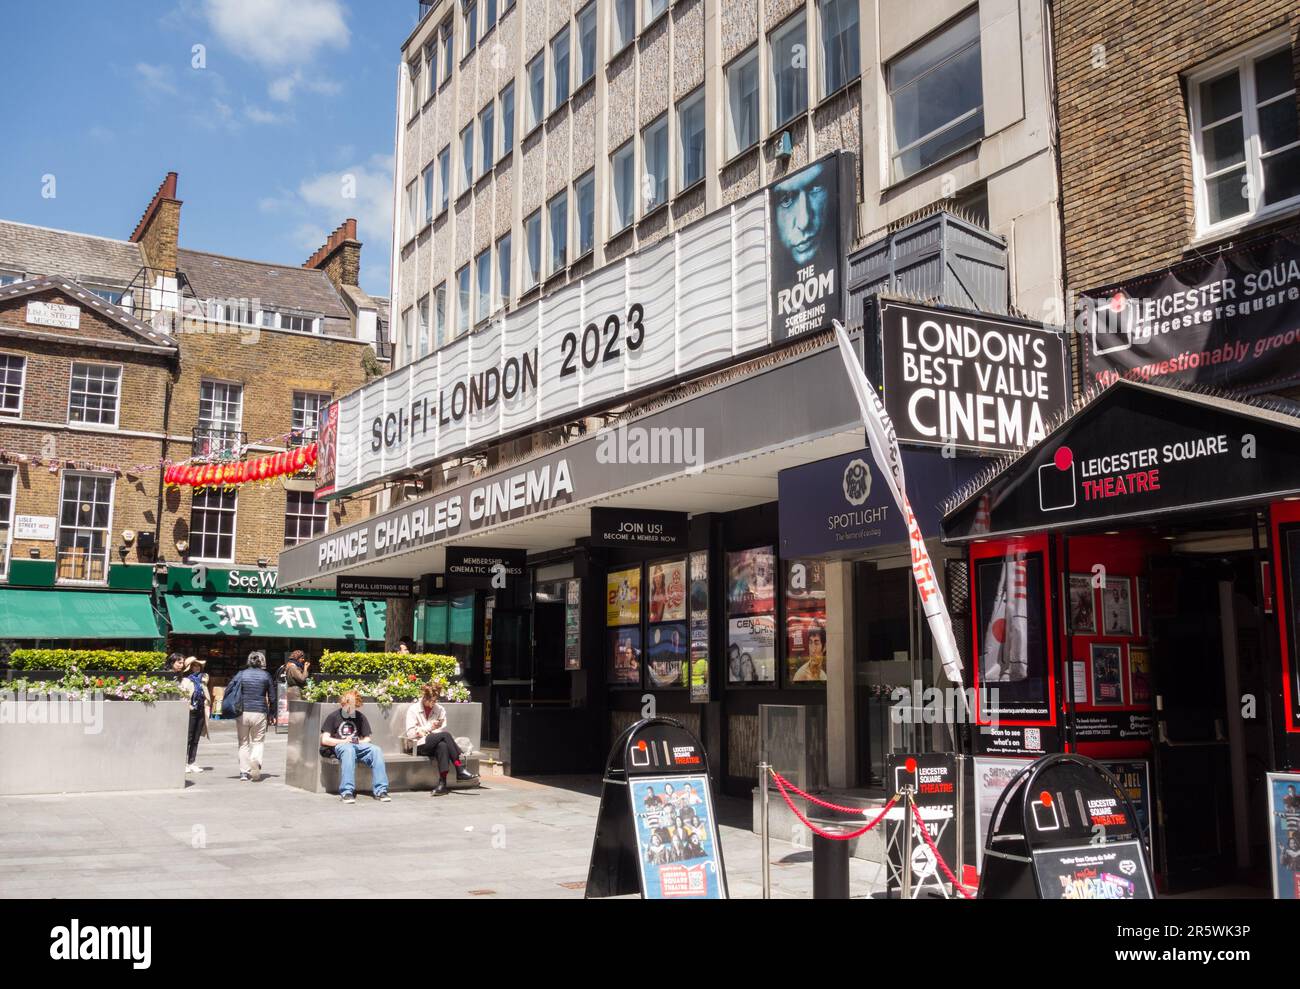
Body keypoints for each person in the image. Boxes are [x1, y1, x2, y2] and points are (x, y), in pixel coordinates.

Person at [405, 682, 478, 796]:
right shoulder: (413, 709)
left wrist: (427, 731)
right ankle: (459, 768)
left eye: (435, 701)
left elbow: (441, 730)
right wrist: (429, 727)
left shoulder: (440, 709)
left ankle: (442, 784)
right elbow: (410, 734)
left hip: (435, 741)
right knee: (446, 736)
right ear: (424, 698)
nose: (433, 704)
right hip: (419, 745)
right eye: (431, 701)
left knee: (443, 746)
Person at [320, 690, 391, 803]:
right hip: (341, 746)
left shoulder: (360, 717)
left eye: (354, 708)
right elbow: (325, 739)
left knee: (376, 750)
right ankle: (347, 791)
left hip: (357, 746)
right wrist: (343, 741)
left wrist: (358, 741)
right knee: (348, 750)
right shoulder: (333, 717)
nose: (351, 710)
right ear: (343, 704)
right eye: (349, 708)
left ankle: (381, 790)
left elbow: (367, 738)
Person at [226, 650, 277, 782]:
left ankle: (243, 772)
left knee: (243, 743)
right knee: (258, 741)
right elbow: (272, 697)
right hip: (259, 711)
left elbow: (229, 688)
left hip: (242, 711)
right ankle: (255, 760)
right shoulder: (266, 676)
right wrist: (272, 713)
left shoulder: (241, 674)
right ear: (262, 662)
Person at [181, 657, 210, 773]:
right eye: (194, 666)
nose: (197, 668)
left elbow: (206, 694)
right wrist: (189, 706)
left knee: (196, 738)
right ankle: (184, 763)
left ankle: (192, 762)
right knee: (188, 737)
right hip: (190, 711)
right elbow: (183, 695)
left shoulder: (203, 680)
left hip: (201, 710)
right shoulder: (186, 680)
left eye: (198, 666)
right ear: (190, 668)